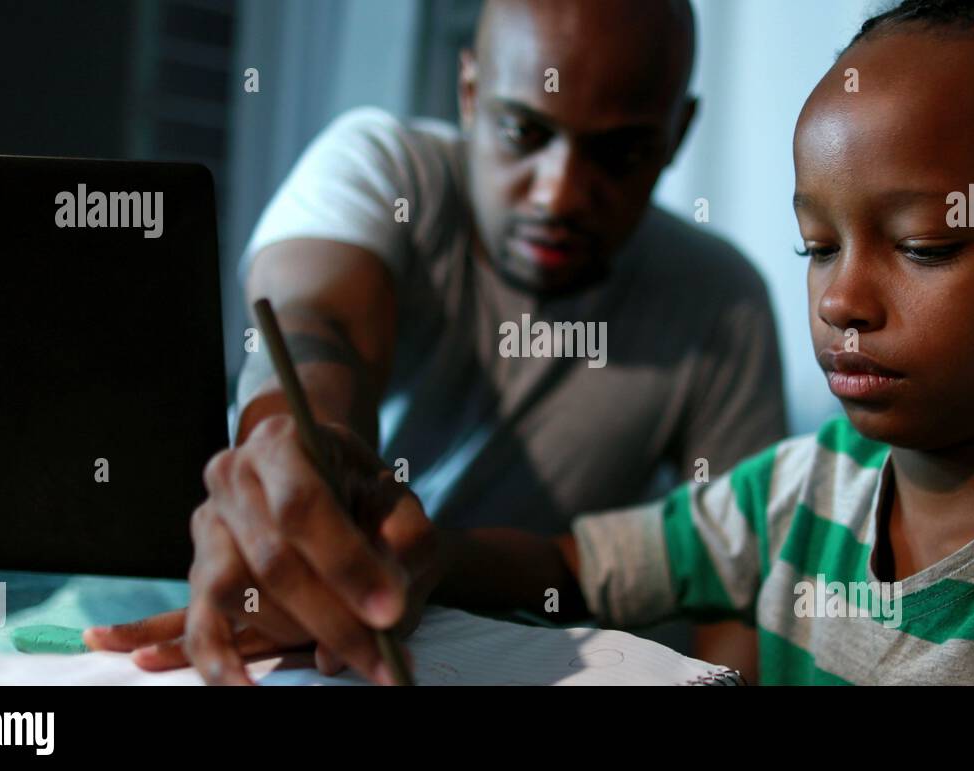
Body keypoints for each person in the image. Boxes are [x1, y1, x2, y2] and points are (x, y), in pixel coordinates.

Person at [85, 0, 786, 679]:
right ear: (470, 92)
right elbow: (317, 327)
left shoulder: (723, 303)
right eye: (524, 131)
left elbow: (736, 576)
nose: (560, 195)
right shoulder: (382, 169)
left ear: (678, 132)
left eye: (621, 152)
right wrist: (305, 447)